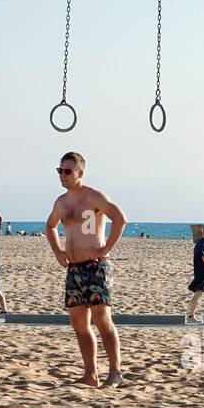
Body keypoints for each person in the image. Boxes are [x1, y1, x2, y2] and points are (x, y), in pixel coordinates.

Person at [46, 151, 127, 388]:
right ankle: (91, 374)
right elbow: (49, 226)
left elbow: (120, 219)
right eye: (60, 171)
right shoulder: (61, 202)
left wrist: (106, 248)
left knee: (102, 319)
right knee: (79, 324)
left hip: (96, 266)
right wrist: (58, 251)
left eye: (67, 171)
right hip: (74, 268)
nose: (63, 175)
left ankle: (115, 372)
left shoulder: (94, 197)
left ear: (80, 172)